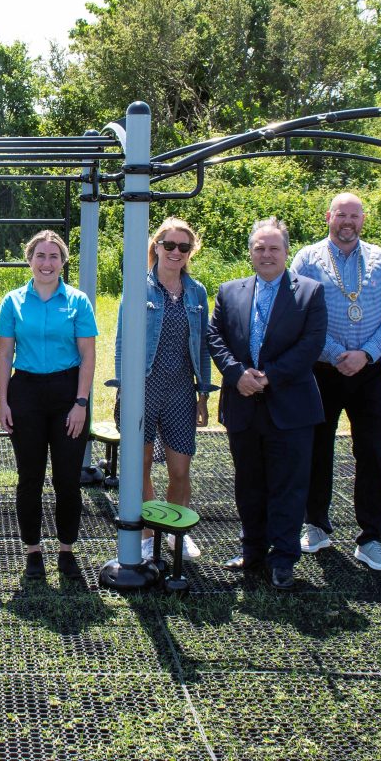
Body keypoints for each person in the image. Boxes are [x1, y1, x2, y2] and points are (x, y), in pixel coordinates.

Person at [291, 192, 381, 572]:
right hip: (323, 370)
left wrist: (366, 353)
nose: (348, 222)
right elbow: (298, 312)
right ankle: (316, 525)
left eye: (355, 216)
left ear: (363, 219)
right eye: (341, 214)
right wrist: (337, 353)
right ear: (328, 217)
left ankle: (371, 537)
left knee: (373, 453)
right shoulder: (308, 258)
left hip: (370, 370)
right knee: (317, 448)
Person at [207, 218, 327, 589]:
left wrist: (269, 376)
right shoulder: (230, 292)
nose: (266, 254)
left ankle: (284, 558)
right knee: (249, 483)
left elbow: (311, 344)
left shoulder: (309, 292)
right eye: (259, 247)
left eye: (274, 247)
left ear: (287, 251)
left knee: (288, 485)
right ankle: (253, 550)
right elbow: (216, 337)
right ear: (250, 252)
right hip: (242, 404)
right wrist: (237, 374)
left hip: (290, 406)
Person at [0, 229, 98, 582]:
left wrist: (81, 402)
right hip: (26, 392)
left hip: (68, 391)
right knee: (30, 478)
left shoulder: (78, 301)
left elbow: (87, 355)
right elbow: (5, 354)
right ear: (30, 260)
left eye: (53, 256)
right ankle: (33, 550)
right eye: (40, 255)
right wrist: (3, 402)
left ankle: (67, 549)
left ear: (63, 262)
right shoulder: (13, 301)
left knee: (67, 478)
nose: (47, 262)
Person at [113, 217, 214, 561]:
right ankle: (145, 533)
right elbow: (122, 340)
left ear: (190, 252)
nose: (175, 252)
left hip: (181, 389)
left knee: (180, 468)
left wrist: (203, 394)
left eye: (183, 247)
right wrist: (124, 388)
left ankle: (176, 532)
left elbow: (203, 347)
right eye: (168, 245)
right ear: (155, 247)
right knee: (139, 465)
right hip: (144, 386)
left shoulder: (197, 292)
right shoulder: (138, 287)